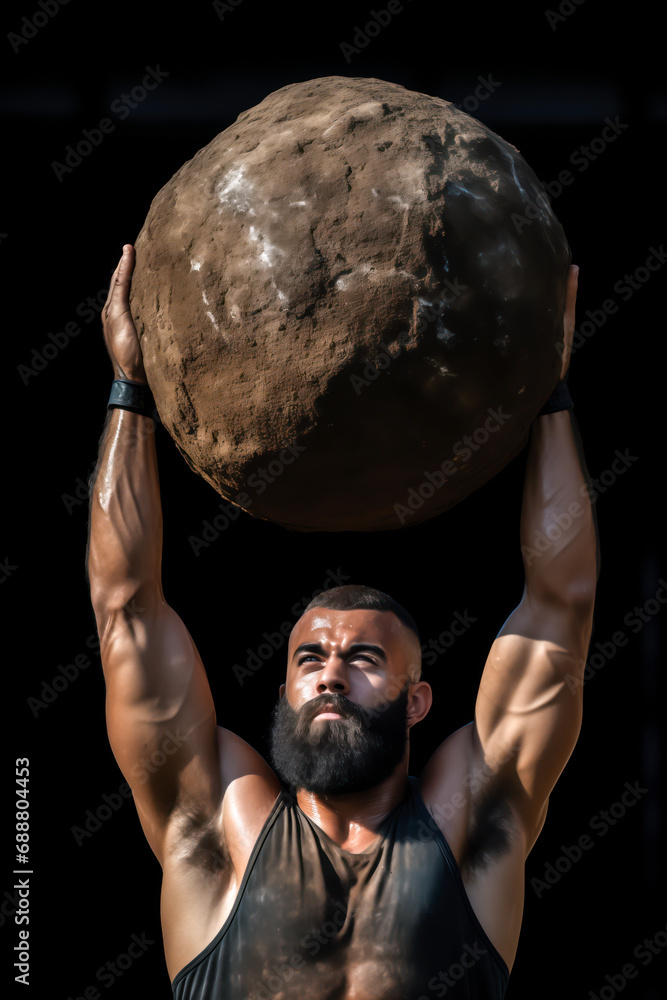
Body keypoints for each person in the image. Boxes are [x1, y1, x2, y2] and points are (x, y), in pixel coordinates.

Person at [87, 244, 599, 999]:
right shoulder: (221, 826)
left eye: (362, 659)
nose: (329, 672)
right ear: (287, 689)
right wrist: (129, 388)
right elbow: (124, 605)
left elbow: (562, 606)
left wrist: (549, 388)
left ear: (417, 699)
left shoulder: (468, 819)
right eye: (308, 661)